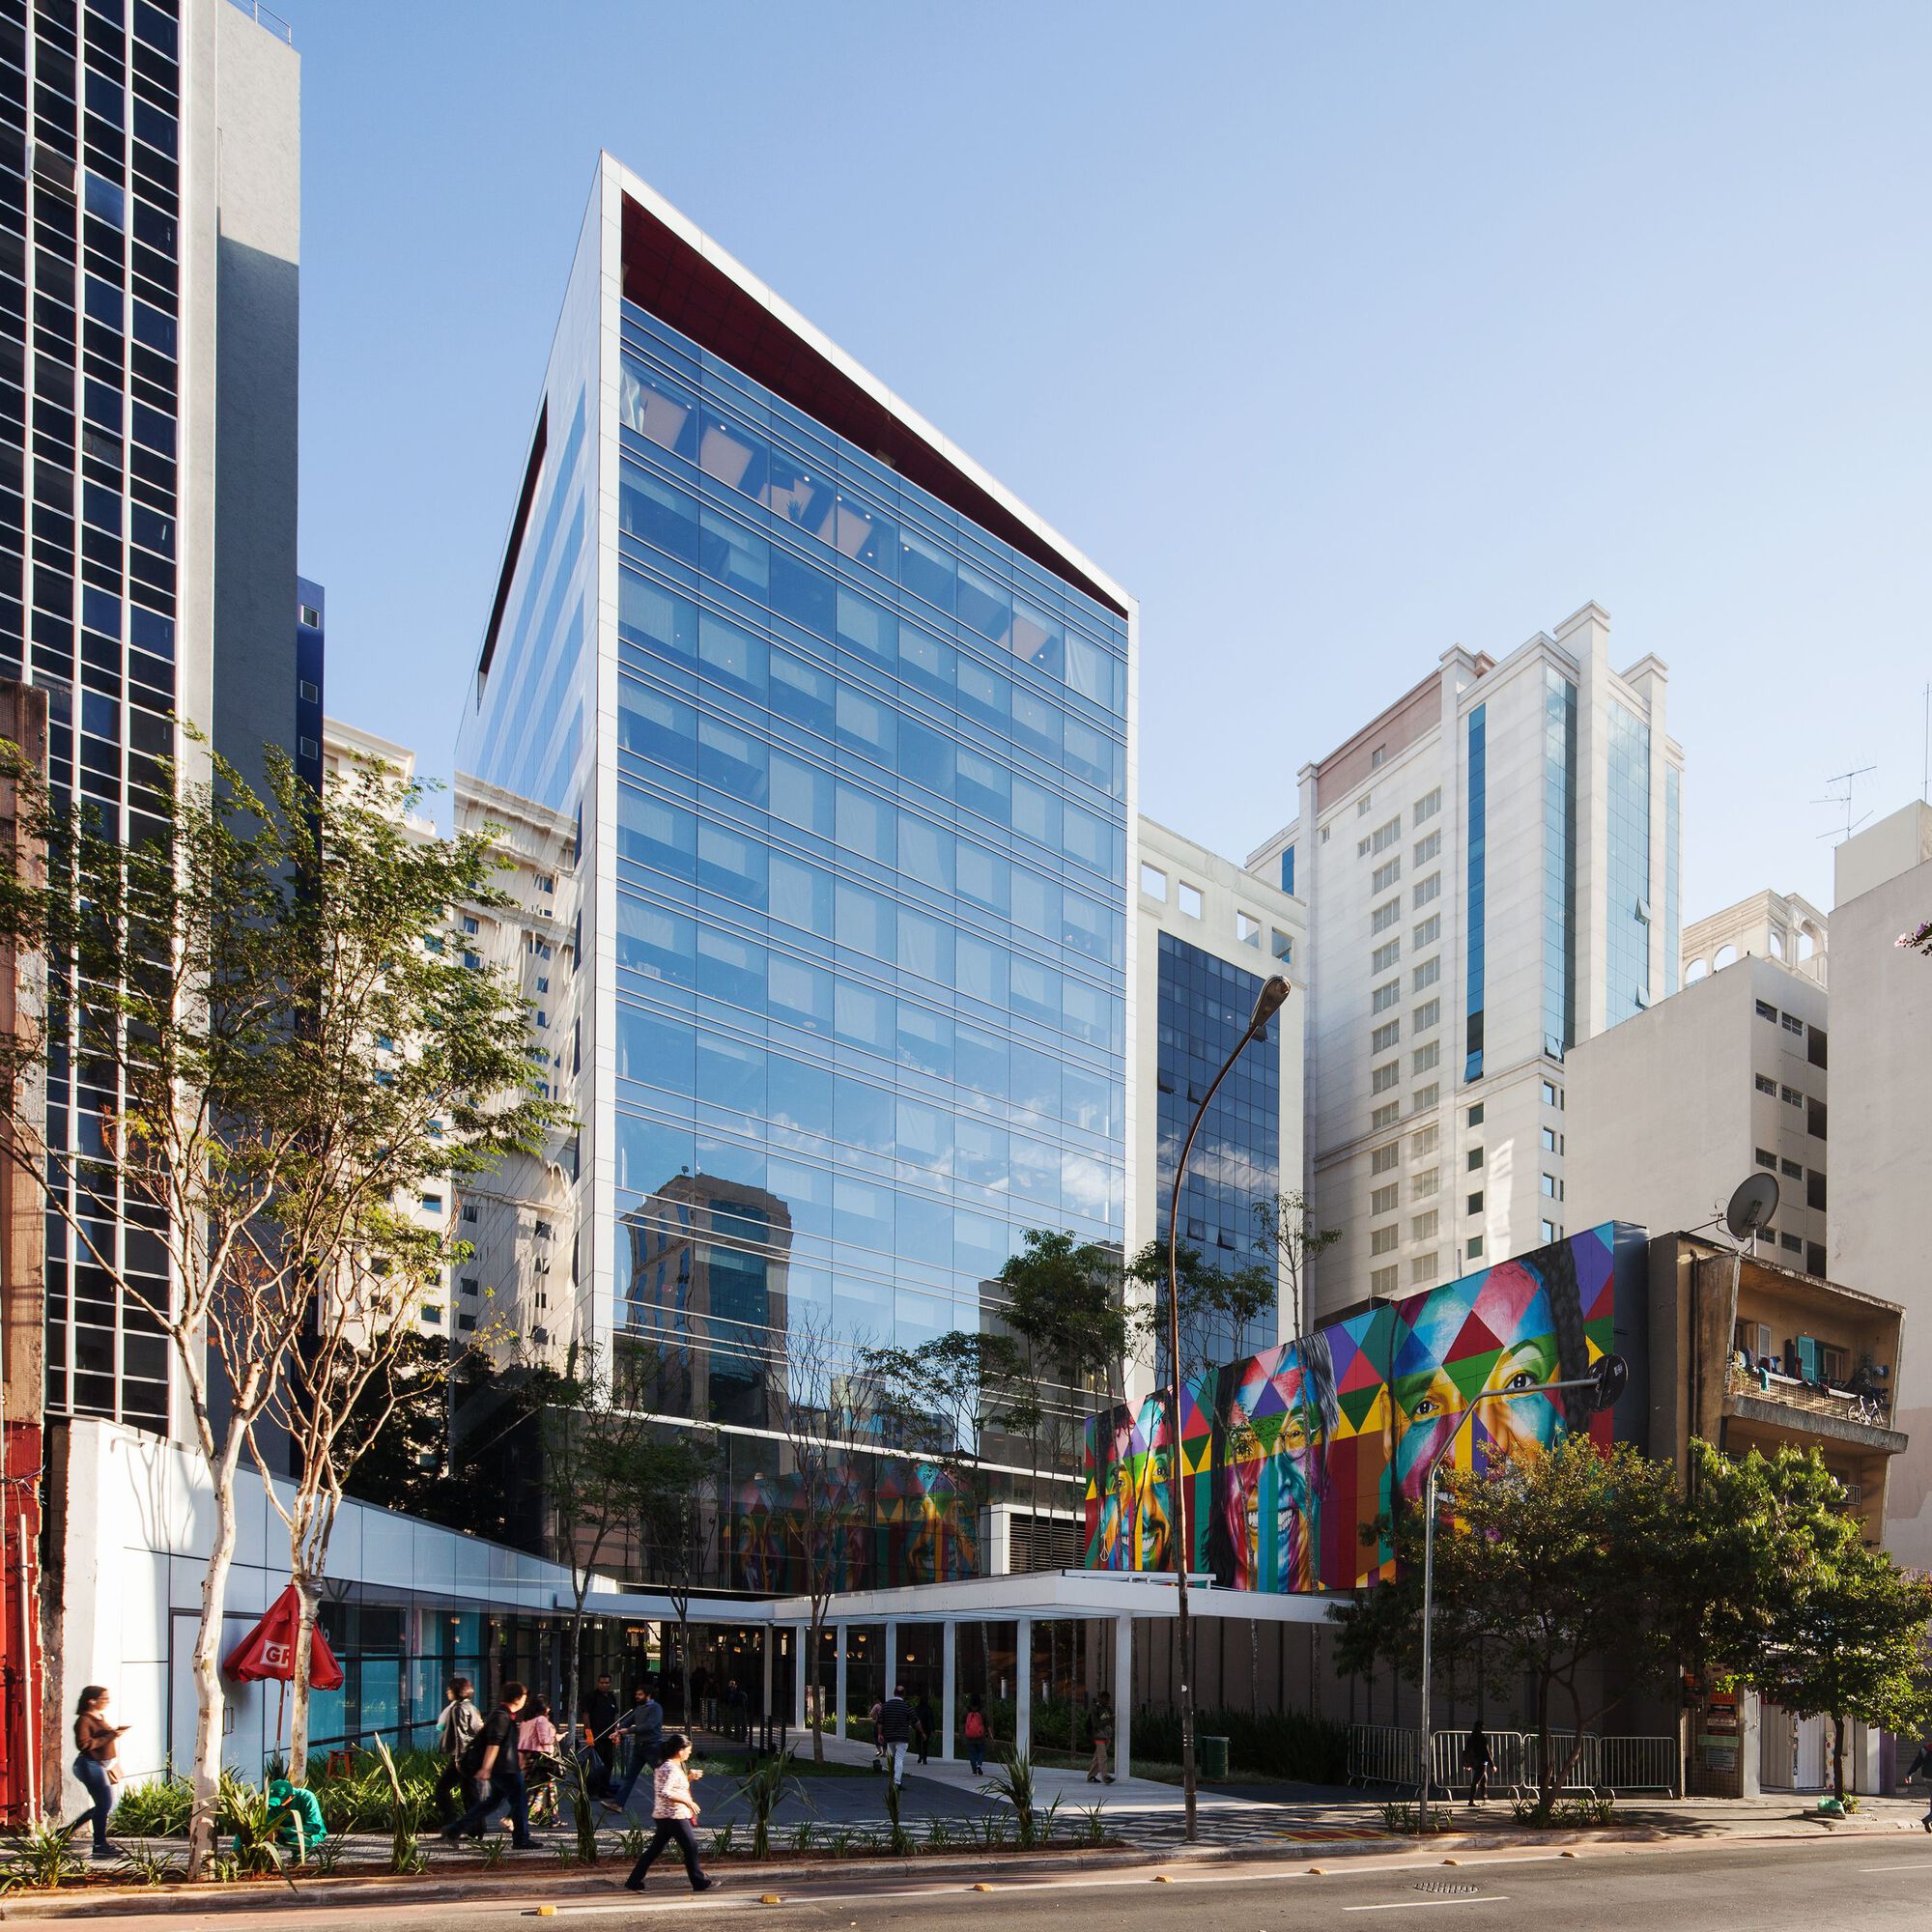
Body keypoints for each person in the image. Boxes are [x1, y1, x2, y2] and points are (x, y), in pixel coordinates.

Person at [440, 1682, 536, 1849]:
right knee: (519, 1801)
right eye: (525, 1695)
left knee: (491, 1802)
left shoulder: (504, 1715)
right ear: (517, 1697)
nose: (526, 1699)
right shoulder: (501, 1716)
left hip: (504, 1767)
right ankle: (521, 1839)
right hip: (504, 1769)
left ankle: (455, 1829)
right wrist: (486, 1768)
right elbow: (494, 1743)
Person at [622, 1732, 716, 1893]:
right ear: (680, 1750)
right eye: (688, 1749)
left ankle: (634, 1881)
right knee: (690, 1847)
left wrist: (689, 1778)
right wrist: (688, 1801)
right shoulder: (670, 1768)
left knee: (655, 1850)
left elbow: (672, 1787)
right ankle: (698, 1881)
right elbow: (665, 1793)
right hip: (673, 1815)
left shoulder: (668, 1766)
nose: (690, 1752)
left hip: (665, 1815)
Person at [71, 1686, 128, 1859]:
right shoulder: (84, 1720)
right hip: (89, 1765)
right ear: (92, 1701)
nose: (107, 1702)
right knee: (104, 1803)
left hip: (100, 1765)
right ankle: (99, 1844)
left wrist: (113, 1733)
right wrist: (111, 1736)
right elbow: (84, 1744)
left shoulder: (99, 1717)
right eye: (104, 1699)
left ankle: (66, 1832)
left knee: (102, 1804)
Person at [607, 1681, 665, 1814]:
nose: (637, 1697)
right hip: (639, 1747)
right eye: (636, 1694)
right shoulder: (639, 1708)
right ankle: (618, 1804)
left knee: (661, 1776)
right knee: (629, 1776)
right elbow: (628, 1721)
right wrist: (618, 1730)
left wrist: (628, 1731)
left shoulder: (656, 1708)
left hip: (653, 1746)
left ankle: (666, 1804)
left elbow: (649, 1726)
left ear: (648, 1695)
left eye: (640, 1695)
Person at [433, 1677, 484, 1825]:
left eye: (449, 1689)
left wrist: (458, 1759)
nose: (447, 1692)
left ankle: (452, 1825)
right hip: (469, 1755)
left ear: (456, 1691)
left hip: (462, 1756)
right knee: (469, 1792)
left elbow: (460, 1735)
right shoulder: (471, 1708)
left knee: (443, 1789)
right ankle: (474, 1828)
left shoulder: (458, 1709)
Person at [519, 1694, 562, 1827]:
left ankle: (550, 1817)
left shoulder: (526, 1721)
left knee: (547, 1788)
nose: (549, 1709)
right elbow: (545, 1740)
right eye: (548, 1707)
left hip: (529, 1757)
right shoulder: (541, 1720)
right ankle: (514, 1818)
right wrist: (557, 1737)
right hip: (543, 1759)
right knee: (535, 1789)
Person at [580, 1673, 621, 1794]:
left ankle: (604, 1789)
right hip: (596, 1736)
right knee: (595, 1764)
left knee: (608, 1763)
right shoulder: (591, 1697)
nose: (604, 1685)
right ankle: (593, 1790)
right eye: (602, 1683)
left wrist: (616, 1733)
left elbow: (615, 1716)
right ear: (598, 1683)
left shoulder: (611, 1697)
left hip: (608, 1736)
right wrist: (589, 1734)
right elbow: (585, 1714)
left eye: (607, 1683)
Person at [879, 1684, 915, 1788]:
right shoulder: (907, 1706)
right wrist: (921, 1732)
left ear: (894, 1693)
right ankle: (897, 1782)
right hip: (902, 1737)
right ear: (904, 1694)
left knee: (894, 1758)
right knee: (899, 1759)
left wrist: (880, 1734)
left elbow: (880, 1721)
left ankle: (893, 1778)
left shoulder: (886, 1706)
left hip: (890, 1736)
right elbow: (915, 1720)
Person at [1461, 1723, 1494, 1805]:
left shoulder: (1471, 1737)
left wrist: (1467, 1763)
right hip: (1481, 1761)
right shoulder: (1482, 1737)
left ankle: (1484, 1797)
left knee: (1483, 1777)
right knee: (1476, 1781)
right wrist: (1492, 1765)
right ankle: (1471, 1800)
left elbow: (1467, 1750)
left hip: (1474, 1761)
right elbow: (1487, 1751)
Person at [1087, 1693, 1116, 1784]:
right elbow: (1096, 1724)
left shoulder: (1108, 1709)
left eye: (1108, 1699)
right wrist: (1108, 1720)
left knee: (1098, 1756)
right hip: (1099, 1736)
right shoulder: (1095, 1709)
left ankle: (1091, 1776)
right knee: (1103, 1756)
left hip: (1107, 1736)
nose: (1107, 1701)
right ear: (1100, 1699)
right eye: (1105, 1699)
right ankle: (1105, 1776)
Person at [1908, 1739, 1932, 1831]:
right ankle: (1928, 1819)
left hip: (1927, 1778)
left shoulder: (1925, 1749)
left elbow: (1917, 1762)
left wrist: (1909, 1774)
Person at [963, 1694, 988, 1777]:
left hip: (969, 1736)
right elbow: (986, 1723)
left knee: (972, 1753)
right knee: (981, 1751)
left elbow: (963, 1721)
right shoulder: (982, 1710)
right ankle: (979, 1764)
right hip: (980, 1736)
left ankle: (974, 1771)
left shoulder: (966, 1710)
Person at [912, 1690, 933, 1766]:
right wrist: (932, 1728)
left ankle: (920, 1755)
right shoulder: (929, 1708)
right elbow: (931, 1719)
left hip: (918, 1727)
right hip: (927, 1728)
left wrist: (913, 1726)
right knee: (925, 1744)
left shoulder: (917, 1708)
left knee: (918, 1742)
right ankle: (924, 1758)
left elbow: (913, 1718)